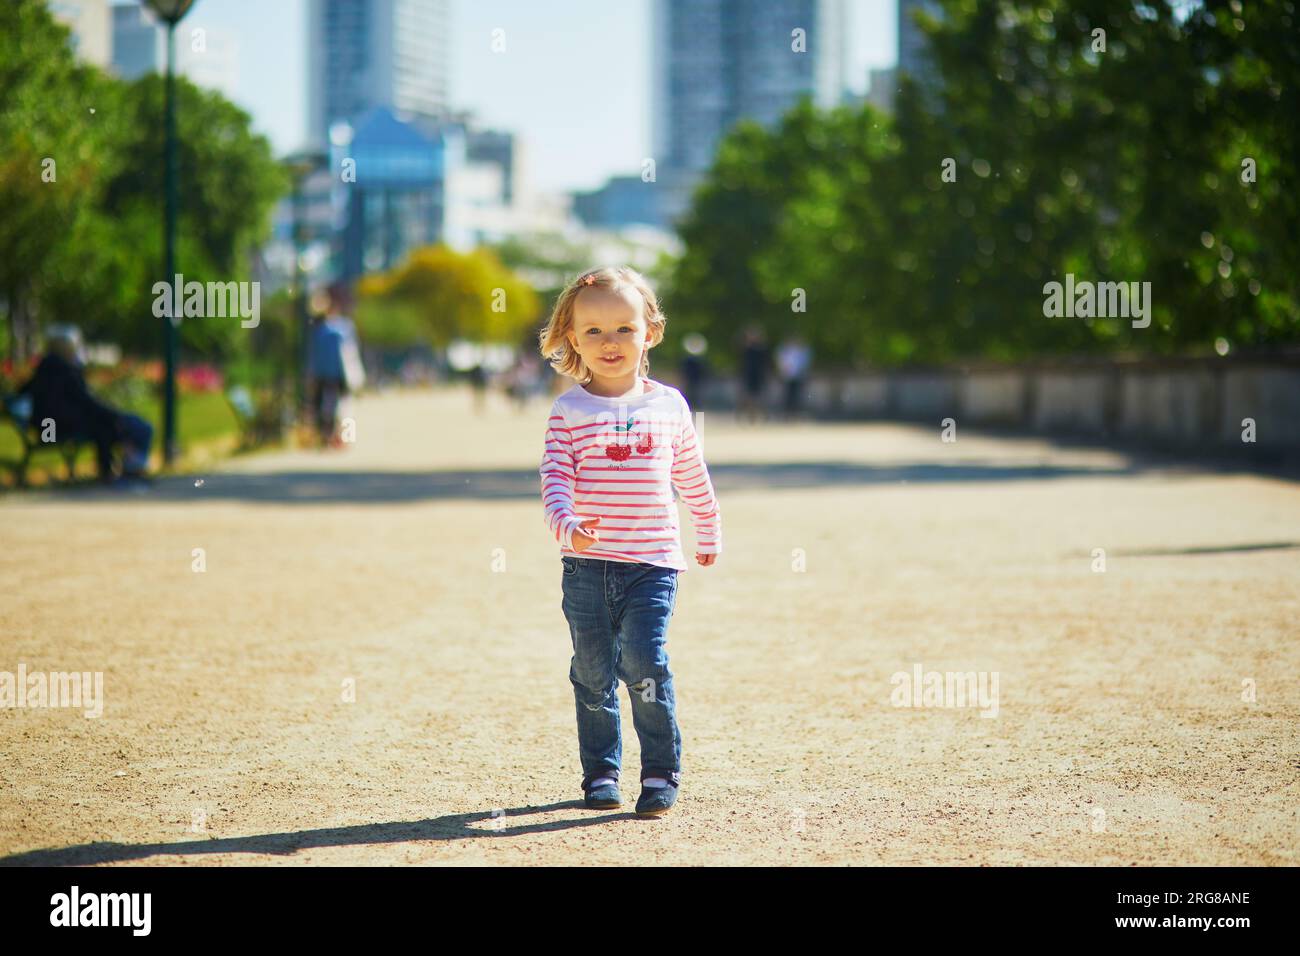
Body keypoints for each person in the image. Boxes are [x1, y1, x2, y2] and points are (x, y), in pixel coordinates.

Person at [537, 266, 722, 818]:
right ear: (572, 338)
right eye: (592, 331)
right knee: (592, 670)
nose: (609, 342)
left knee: (645, 662)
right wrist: (566, 524)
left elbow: (691, 472)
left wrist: (708, 527)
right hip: (587, 568)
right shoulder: (570, 411)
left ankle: (661, 770)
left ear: (651, 331)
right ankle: (601, 771)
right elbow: (554, 481)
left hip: (652, 564)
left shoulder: (668, 406)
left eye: (623, 328)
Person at [15, 325, 152, 485]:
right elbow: (86, 401)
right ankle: (117, 469)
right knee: (106, 425)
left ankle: (120, 466)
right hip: (58, 427)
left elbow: (22, 392)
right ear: (68, 346)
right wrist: (113, 415)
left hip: (48, 427)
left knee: (104, 423)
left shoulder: (45, 368)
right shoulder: (66, 370)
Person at [308, 283, 365, 448]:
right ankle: (335, 438)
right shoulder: (340, 327)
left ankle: (338, 437)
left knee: (337, 408)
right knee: (337, 408)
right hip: (329, 374)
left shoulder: (333, 328)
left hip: (337, 374)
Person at [738, 324, 770, 424]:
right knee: (747, 398)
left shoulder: (761, 349)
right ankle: (748, 416)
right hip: (748, 376)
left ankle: (761, 416)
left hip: (759, 376)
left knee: (759, 398)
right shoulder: (746, 348)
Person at [776, 334, 813, 420]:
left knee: (797, 395)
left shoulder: (802, 351)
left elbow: (805, 363)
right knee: (787, 396)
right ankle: (787, 413)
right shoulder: (785, 350)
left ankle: (795, 413)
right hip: (787, 376)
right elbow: (781, 362)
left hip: (798, 376)